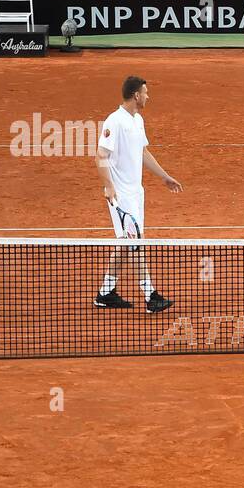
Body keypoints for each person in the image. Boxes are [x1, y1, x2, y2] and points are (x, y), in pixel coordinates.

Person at [94, 76, 182, 314]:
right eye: (145, 92)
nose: (148, 96)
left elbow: (142, 152)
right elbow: (100, 155)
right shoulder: (115, 121)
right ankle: (150, 295)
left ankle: (105, 292)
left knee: (125, 244)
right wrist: (108, 186)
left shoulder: (137, 120)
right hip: (121, 198)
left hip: (136, 194)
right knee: (136, 244)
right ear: (136, 95)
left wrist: (164, 176)